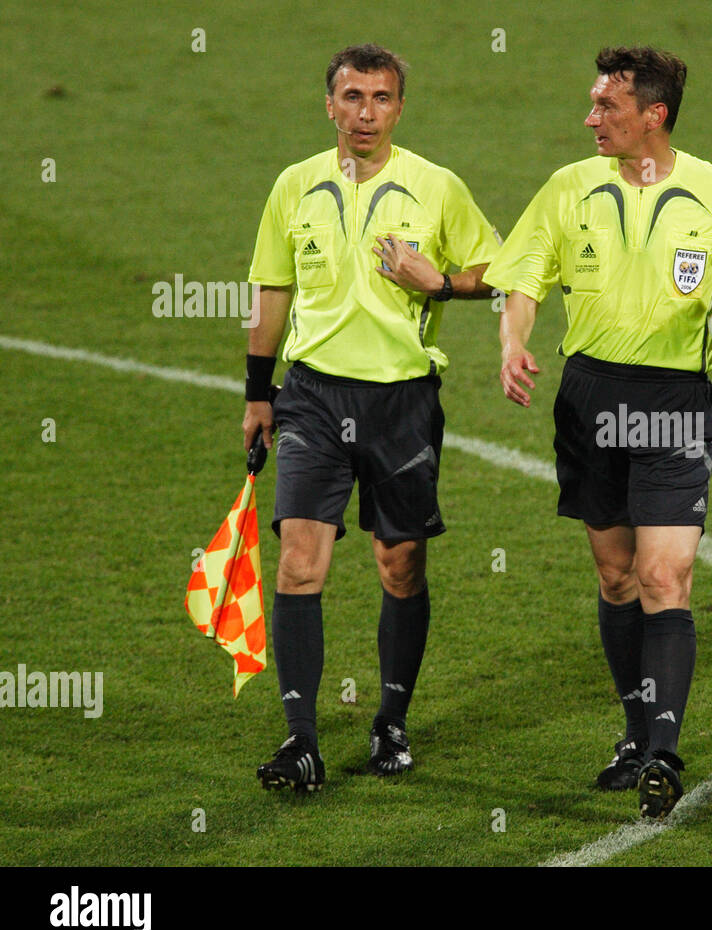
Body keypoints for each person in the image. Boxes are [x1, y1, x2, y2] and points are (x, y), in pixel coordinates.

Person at [484, 46, 712, 820]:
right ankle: (633, 732)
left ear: (653, 115)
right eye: (591, 104)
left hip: (674, 403)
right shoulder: (568, 188)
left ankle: (663, 750)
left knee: (664, 579)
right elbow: (524, 278)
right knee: (618, 579)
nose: (590, 118)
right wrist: (512, 342)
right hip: (589, 397)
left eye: (607, 108)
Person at [242, 43, 499, 791]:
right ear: (329, 106)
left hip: (402, 401)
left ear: (399, 107)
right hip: (314, 396)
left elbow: (500, 270)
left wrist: (442, 281)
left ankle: (391, 719)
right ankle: (301, 739)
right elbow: (272, 290)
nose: (365, 112)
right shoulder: (294, 186)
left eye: (380, 98)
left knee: (401, 563)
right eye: (351, 97)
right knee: (297, 559)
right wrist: (260, 393)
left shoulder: (436, 187)